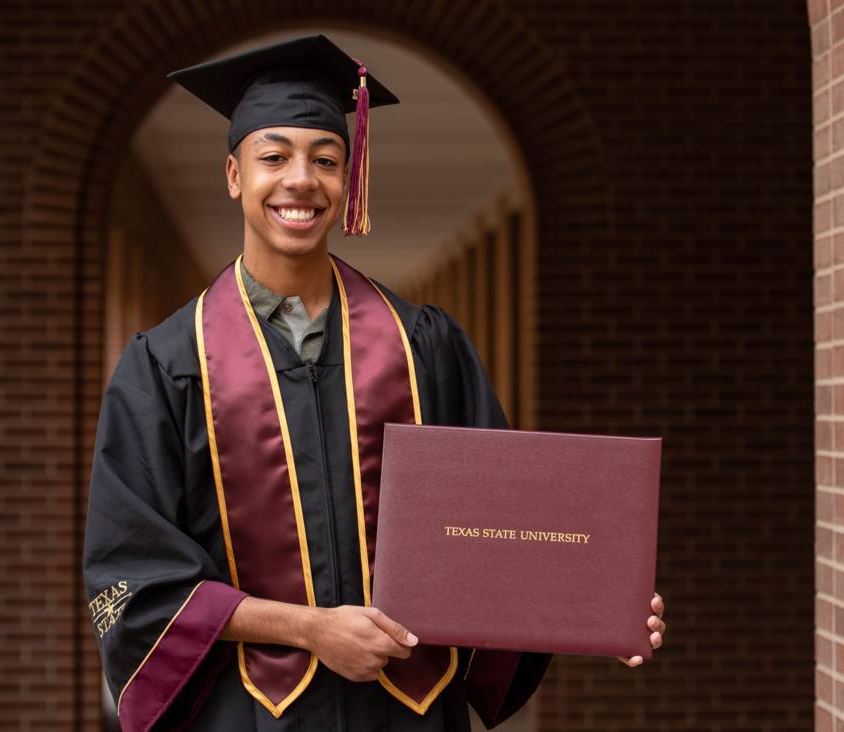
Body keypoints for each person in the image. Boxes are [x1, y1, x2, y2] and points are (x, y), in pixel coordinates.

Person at [83, 34, 666, 732]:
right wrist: (310, 630)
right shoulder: (167, 363)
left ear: (347, 179)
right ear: (233, 175)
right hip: (247, 714)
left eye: (325, 160)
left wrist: (595, 598)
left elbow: (504, 519)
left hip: (408, 709)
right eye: (273, 157)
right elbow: (134, 574)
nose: (300, 180)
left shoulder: (425, 343)